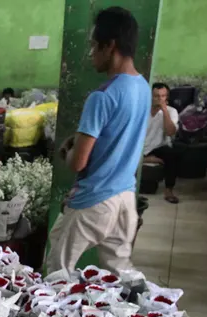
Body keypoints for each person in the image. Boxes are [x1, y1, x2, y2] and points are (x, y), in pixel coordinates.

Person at [45, 6, 150, 274]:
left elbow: (78, 162)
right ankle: (142, 311)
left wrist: (67, 150)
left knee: (57, 269)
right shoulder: (143, 87)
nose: (91, 54)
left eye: (94, 46)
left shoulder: (102, 96)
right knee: (121, 271)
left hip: (95, 200)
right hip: (126, 197)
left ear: (110, 46)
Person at [143, 81, 180, 204]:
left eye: (163, 96)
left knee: (172, 154)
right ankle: (145, 159)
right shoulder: (141, 109)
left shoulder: (171, 111)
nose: (160, 99)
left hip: (157, 146)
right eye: (156, 96)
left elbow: (170, 132)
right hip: (139, 146)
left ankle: (168, 190)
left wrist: (164, 111)